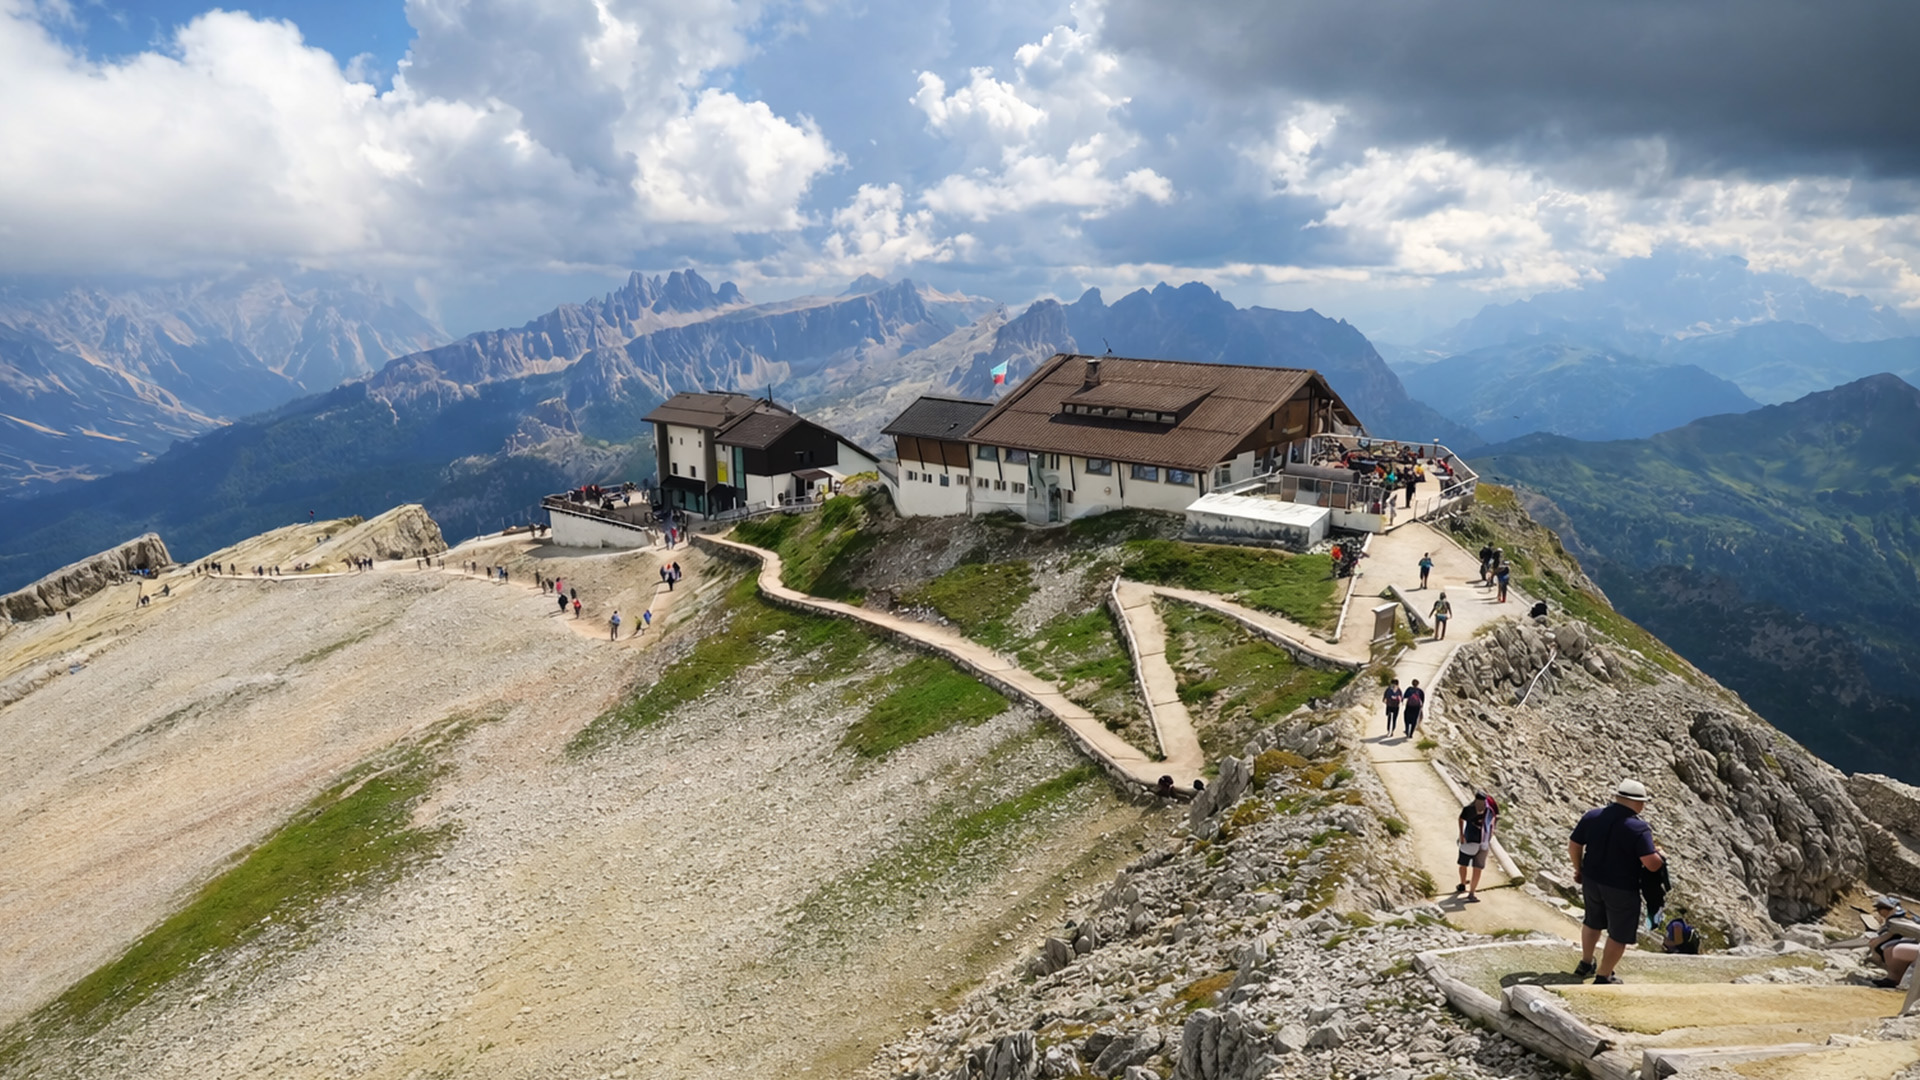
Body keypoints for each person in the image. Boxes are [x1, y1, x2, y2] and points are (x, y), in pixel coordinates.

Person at [1569, 779, 1665, 984]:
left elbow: (1574, 844)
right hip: (1621, 887)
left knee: (1592, 921)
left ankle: (1586, 963)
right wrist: (1660, 855)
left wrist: (1579, 869)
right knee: (1619, 933)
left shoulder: (1593, 816)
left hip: (1592, 880)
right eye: (1643, 802)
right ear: (1635, 802)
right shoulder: (1638, 828)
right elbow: (1651, 865)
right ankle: (1604, 976)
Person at [1866, 896, 1919, 988]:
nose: (1879, 912)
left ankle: (1894, 979)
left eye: (1880, 909)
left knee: (1891, 949)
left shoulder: (1896, 918)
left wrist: (1875, 945)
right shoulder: (1900, 916)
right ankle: (1893, 978)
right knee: (1888, 948)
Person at [1457, 792, 1498, 902]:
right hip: (1483, 842)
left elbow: (1461, 819)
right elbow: (1493, 822)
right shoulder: (1489, 811)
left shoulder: (1469, 809)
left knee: (1463, 864)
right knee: (1477, 869)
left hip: (1469, 840)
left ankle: (1462, 884)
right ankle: (1471, 893)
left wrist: (1461, 835)